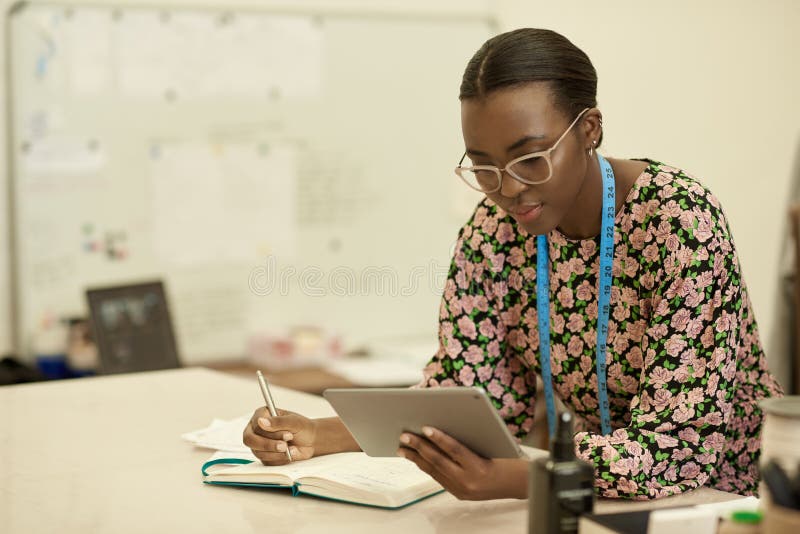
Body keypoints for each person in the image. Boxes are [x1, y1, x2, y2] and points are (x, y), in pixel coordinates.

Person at [243, 28, 783, 501]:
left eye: (530, 157)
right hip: (591, 496)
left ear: (590, 129)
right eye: (483, 167)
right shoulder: (496, 231)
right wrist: (317, 433)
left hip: (730, 500)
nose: (509, 187)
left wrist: (518, 479)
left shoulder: (680, 221)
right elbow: (465, 395)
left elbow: (677, 452)